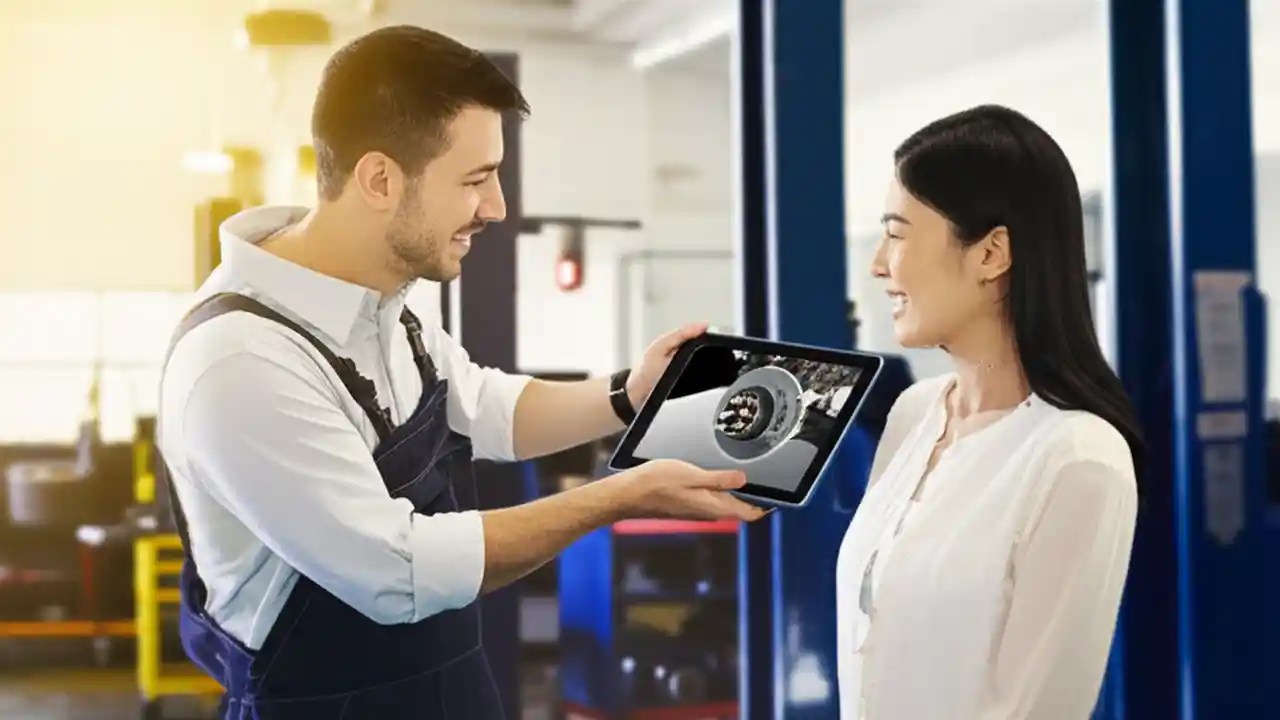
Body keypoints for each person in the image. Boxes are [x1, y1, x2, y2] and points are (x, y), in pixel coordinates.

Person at [156, 25, 766, 719]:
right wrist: (617, 497)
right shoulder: (241, 363)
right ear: (380, 179)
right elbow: (398, 569)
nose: (497, 207)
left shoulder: (383, 308)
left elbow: (483, 405)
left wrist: (629, 395)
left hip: (447, 690)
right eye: (476, 180)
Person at [835, 105, 1144, 720]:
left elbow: (1040, 708)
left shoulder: (1079, 457)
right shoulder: (914, 415)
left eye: (896, 234)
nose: (877, 264)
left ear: (991, 253)